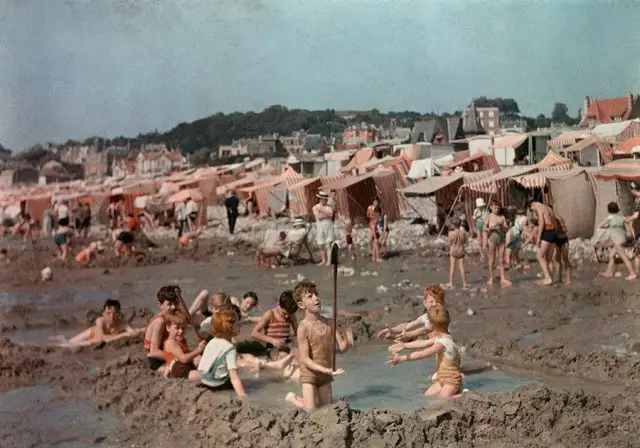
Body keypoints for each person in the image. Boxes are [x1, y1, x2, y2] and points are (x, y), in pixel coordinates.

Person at [285, 280, 353, 410]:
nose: (316, 298)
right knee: (311, 411)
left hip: (325, 375)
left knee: (327, 410)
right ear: (301, 304)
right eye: (310, 296)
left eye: (316, 294)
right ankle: (292, 399)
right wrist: (326, 370)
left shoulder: (330, 322)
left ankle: (303, 399)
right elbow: (304, 358)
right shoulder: (303, 328)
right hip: (309, 372)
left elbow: (343, 347)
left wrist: (346, 332)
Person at [387, 304, 462, 398]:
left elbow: (422, 354)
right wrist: (404, 345)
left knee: (443, 400)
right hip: (441, 379)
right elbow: (421, 343)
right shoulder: (441, 338)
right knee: (426, 396)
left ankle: (465, 395)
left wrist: (401, 358)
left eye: (428, 321)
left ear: (431, 325)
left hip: (452, 381)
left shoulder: (442, 343)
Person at [195, 309, 247, 397]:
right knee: (242, 382)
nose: (240, 325)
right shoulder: (230, 349)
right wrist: (243, 396)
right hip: (217, 385)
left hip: (204, 380)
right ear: (229, 328)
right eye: (237, 324)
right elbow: (233, 376)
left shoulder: (212, 341)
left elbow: (202, 365)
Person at [50, 299, 142, 347]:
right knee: (67, 344)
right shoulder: (100, 320)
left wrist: (129, 333)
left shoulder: (123, 324)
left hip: (96, 340)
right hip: (93, 332)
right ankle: (58, 339)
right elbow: (104, 338)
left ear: (119, 314)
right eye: (108, 313)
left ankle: (60, 339)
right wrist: (123, 335)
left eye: (115, 314)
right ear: (103, 313)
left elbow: (133, 333)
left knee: (77, 344)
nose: (111, 316)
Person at [376, 284, 445, 341]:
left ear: (443, 303)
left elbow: (426, 330)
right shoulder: (426, 317)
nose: (435, 304)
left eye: (438, 302)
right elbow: (407, 326)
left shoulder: (442, 316)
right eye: (431, 302)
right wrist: (392, 330)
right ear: (425, 303)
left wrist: (410, 334)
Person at [250, 290, 299, 360]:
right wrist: (273, 340)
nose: (287, 316)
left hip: (287, 343)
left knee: (297, 348)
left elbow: (297, 332)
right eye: (284, 313)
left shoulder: (291, 315)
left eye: (289, 314)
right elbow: (254, 333)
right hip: (272, 346)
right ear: (279, 303)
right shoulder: (270, 314)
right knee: (282, 356)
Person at [143, 285, 179, 371]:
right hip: (157, 359)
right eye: (169, 304)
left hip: (166, 351)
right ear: (160, 305)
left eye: (176, 303)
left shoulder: (171, 316)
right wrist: (177, 357)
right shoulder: (160, 321)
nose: (174, 307)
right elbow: (154, 351)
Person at [163, 310, 206, 379]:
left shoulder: (180, 340)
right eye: (177, 328)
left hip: (184, 366)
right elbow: (183, 359)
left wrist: (166, 374)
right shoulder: (171, 342)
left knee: (199, 358)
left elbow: (169, 361)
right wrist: (198, 350)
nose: (181, 331)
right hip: (181, 370)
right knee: (204, 376)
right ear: (168, 328)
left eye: (183, 328)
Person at [190, 290, 260, 333]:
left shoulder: (246, 317)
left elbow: (259, 319)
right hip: (209, 313)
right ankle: (188, 316)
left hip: (210, 320)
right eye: (247, 302)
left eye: (252, 305)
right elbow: (225, 302)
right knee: (205, 292)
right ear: (242, 299)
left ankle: (187, 318)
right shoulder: (234, 300)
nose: (248, 306)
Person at [598, 202, 636, 280]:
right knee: (611, 255)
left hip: (617, 240)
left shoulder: (610, 217)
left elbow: (600, 226)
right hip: (623, 239)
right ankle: (609, 273)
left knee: (624, 257)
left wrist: (608, 226)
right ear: (617, 209)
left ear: (608, 210)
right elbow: (627, 226)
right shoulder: (621, 218)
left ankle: (632, 274)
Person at [529, 201, 558, 286]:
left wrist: (538, 238)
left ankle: (547, 278)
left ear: (533, 205)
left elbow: (541, 223)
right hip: (553, 231)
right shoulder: (548, 208)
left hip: (547, 231)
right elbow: (555, 222)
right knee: (549, 258)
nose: (534, 211)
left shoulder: (539, 208)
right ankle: (551, 278)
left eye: (532, 210)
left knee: (540, 256)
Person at [483, 200, 511, 287]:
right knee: (492, 259)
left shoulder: (502, 217)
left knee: (501, 260)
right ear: (491, 207)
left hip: (501, 239)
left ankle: (503, 278)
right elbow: (484, 228)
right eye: (495, 207)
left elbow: (507, 229)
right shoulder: (489, 216)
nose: (497, 209)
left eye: (498, 207)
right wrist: (491, 228)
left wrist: (503, 225)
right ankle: (491, 278)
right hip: (492, 239)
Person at [313, 191, 335, 266]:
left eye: (325, 199)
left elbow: (331, 214)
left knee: (328, 244)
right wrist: (326, 214)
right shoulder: (315, 207)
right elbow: (318, 217)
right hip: (320, 227)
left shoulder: (329, 207)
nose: (323, 200)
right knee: (321, 244)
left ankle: (329, 260)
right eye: (322, 199)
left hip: (328, 226)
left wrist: (322, 210)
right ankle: (323, 260)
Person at [446, 217, 468, 289]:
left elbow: (449, 243)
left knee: (452, 267)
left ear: (453, 225)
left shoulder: (450, 233)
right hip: (460, 250)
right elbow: (465, 242)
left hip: (453, 250)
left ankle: (451, 282)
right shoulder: (463, 233)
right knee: (461, 267)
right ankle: (464, 283)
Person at [554, 215, 573, 286]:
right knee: (557, 259)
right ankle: (559, 278)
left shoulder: (558, 218)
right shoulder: (546, 218)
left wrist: (557, 229)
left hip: (563, 239)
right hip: (555, 241)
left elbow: (565, 229)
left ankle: (568, 279)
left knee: (565, 259)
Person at [472, 198, 489, 263]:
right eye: (479, 206)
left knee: (485, 241)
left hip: (484, 226)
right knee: (479, 241)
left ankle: (488, 254)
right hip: (478, 225)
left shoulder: (486, 211)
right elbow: (473, 219)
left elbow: (487, 220)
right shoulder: (476, 210)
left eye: (481, 206)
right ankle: (482, 255)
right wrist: (473, 226)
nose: (480, 207)